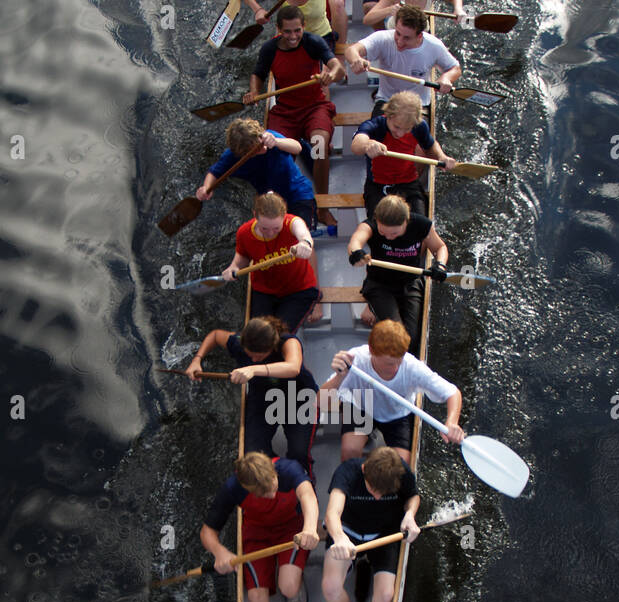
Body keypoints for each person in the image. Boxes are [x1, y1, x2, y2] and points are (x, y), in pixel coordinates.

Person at [202, 453, 320, 602]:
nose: (271, 495)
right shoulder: (233, 488)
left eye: (273, 488)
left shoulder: (289, 469)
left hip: (291, 531)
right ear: (247, 488)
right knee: (256, 600)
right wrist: (220, 552)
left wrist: (309, 528)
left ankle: (295, 584)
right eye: (263, 494)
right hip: (257, 536)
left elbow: (308, 495)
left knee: (287, 587)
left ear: (274, 474)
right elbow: (208, 531)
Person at [322, 446, 419, 602]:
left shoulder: (401, 473)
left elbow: (413, 496)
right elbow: (332, 513)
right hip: (349, 533)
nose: (376, 497)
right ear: (364, 469)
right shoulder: (348, 472)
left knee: (386, 596)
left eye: (383, 492)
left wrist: (409, 515)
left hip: (385, 535)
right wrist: (340, 537)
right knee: (331, 587)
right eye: (372, 489)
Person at [242, 2, 345, 221]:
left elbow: (338, 68)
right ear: (279, 30)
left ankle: (323, 207)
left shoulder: (313, 42)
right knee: (274, 154)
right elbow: (258, 74)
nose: (293, 36)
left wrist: (330, 75)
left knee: (319, 146)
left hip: (314, 107)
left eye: (297, 30)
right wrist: (254, 92)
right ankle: (281, 207)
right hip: (285, 111)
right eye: (287, 31)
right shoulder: (269, 49)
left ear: (304, 26)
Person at [187, 315, 319, 479]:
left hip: (298, 399)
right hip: (263, 399)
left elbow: (293, 368)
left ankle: (304, 483)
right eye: (250, 355)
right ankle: (273, 480)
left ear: (272, 347)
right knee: (254, 455)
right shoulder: (238, 342)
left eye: (259, 356)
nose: (253, 359)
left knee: (299, 453)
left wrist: (254, 369)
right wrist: (197, 360)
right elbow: (215, 335)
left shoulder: (288, 342)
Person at [321, 317, 464, 463]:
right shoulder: (355, 360)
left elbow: (453, 393)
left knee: (401, 465)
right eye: (389, 364)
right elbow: (321, 401)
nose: (395, 368)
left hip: (398, 415)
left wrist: (452, 422)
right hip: (363, 408)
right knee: (349, 451)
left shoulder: (412, 366)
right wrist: (339, 377)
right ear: (372, 351)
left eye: (399, 361)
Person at [347, 192, 448, 338]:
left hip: (410, 283)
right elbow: (355, 240)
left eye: (394, 233)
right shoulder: (370, 225)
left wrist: (440, 265)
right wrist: (356, 252)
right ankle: (374, 307)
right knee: (397, 336)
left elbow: (440, 248)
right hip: (379, 285)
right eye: (383, 232)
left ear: (406, 221)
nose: (388, 237)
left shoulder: (421, 224)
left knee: (411, 338)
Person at [221, 191, 320, 334]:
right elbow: (242, 257)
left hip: (298, 291)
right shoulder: (244, 233)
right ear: (255, 215)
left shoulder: (293, 222)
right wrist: (233, 268)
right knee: (259, 335)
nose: (270, 233)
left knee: (278, 336)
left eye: (276, 228)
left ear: (284, 215)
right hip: (264, 291)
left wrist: (305, 244)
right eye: (265, 228)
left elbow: (304, 234)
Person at [351, 88, 456, 218]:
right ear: (389, 115)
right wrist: (367, 145)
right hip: (378, 185)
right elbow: (357, 144)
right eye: (397, 127)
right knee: (379, 227)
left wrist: (442, 157)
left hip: (408, 182)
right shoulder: (376, 125)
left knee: (421, 225)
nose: (400, 134)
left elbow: (430, 145)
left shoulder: (419, 126)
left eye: (407, 129)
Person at [197, 118, 317, 230]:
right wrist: (206, 187)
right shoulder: (232, 157)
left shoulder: (270, 137)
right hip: (270, 202)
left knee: (300, 234)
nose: (264, 148)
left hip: (297, 194)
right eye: (257, 149)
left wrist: (276, 142)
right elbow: (214, 173)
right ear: (244, 153)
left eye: (260, 143)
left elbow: (297, 148)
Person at [344, 5, 461, 112]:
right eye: (398, 33)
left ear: (419, 36)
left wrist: (446, 78)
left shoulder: (434, 46)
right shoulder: (383, 38)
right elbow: (352, 50)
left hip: (417, 104)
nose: (399, 42)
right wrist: (356, 59)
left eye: (407, 38)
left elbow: (455, 68)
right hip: (387, 101)